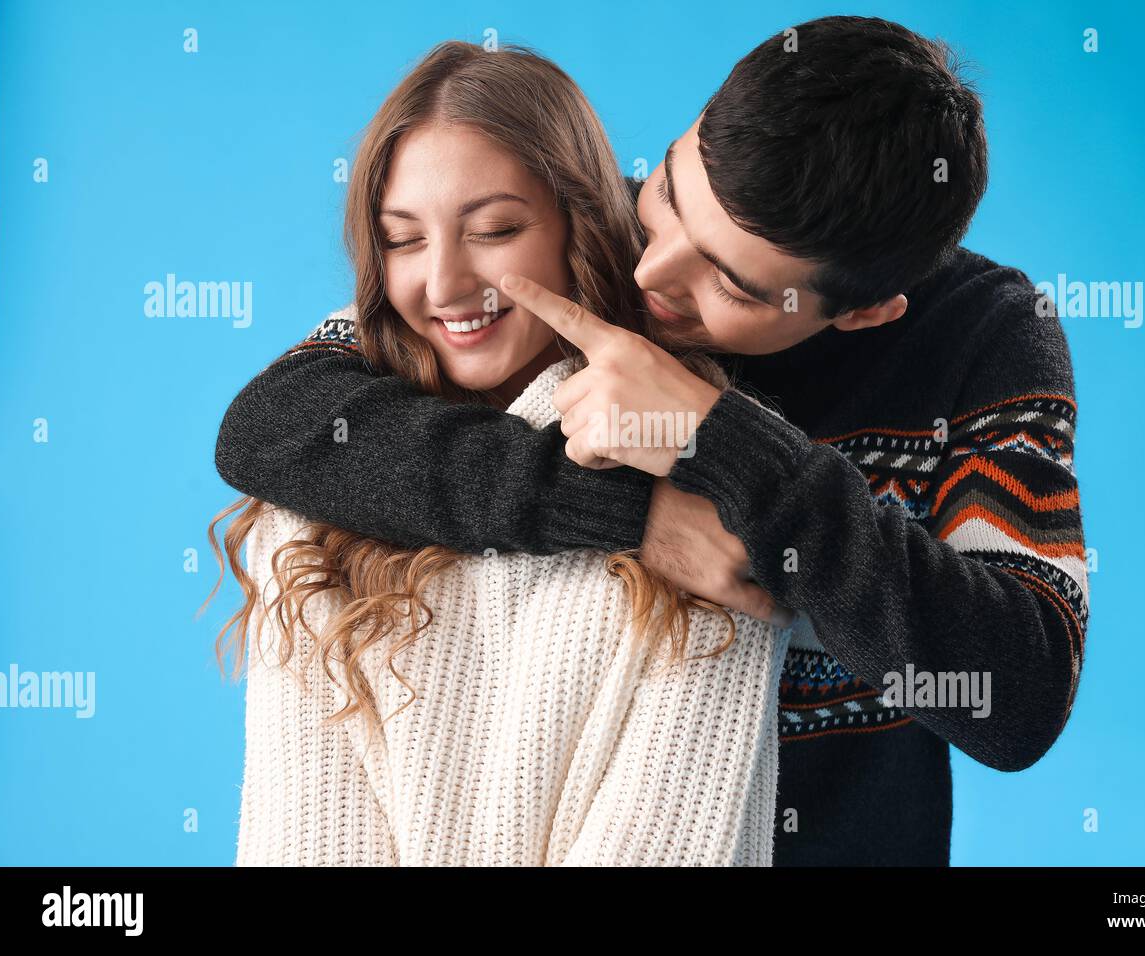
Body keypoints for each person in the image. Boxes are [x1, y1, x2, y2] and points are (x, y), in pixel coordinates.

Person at [215, 15, 1090, 866]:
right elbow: (276, 422)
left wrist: (719, 440)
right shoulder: (581, 233)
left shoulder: (985, 333)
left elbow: (1017, 691)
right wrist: (638, 514)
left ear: (862, 311)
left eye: (730, 283)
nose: (649, 271)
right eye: (670, 195)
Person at [204, 40, 794, 866]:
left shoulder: (703, 478)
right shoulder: (311, 484)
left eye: (495, 230)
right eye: (403, 239)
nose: (443, 284)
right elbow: (303, 833)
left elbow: (673, 834)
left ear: (581, 225)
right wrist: (627, 510)